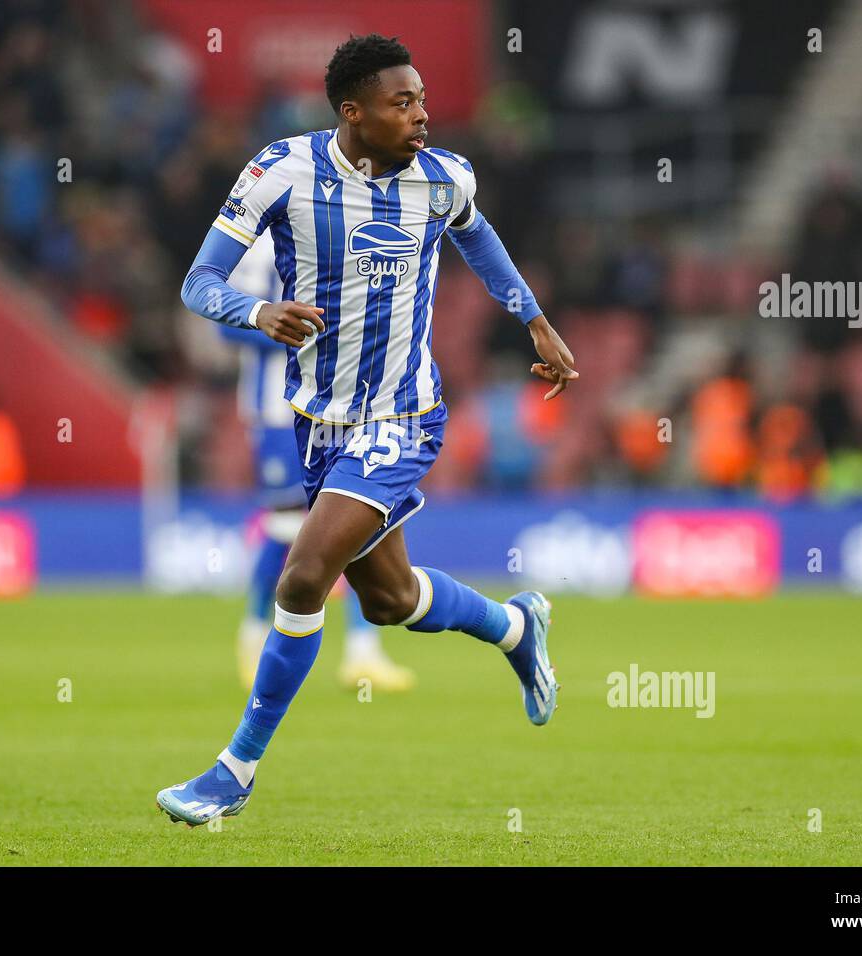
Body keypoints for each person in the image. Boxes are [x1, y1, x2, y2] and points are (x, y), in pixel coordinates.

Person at [161, 34, 577, 826]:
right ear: (353, 112)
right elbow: (198, 282)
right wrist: (256, 310)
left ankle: (233, 772)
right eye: (402, 103)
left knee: (301, 573)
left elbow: (476, 233)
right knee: (388, 600)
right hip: (319, 422)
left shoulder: (443, 178)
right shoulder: (281, 171)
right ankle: (517, 625)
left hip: (402, 415)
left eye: (422, 99)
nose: (422, 115)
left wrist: (535, 321)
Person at [216, 228, 416, 692]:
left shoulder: (340, 230)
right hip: (277, 408)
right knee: (288, 522)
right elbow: (223, 325)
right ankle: (252, 635)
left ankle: (363, 654)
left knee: (354, 518)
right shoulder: (261, 245)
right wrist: (302, 332)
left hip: (341, 407)